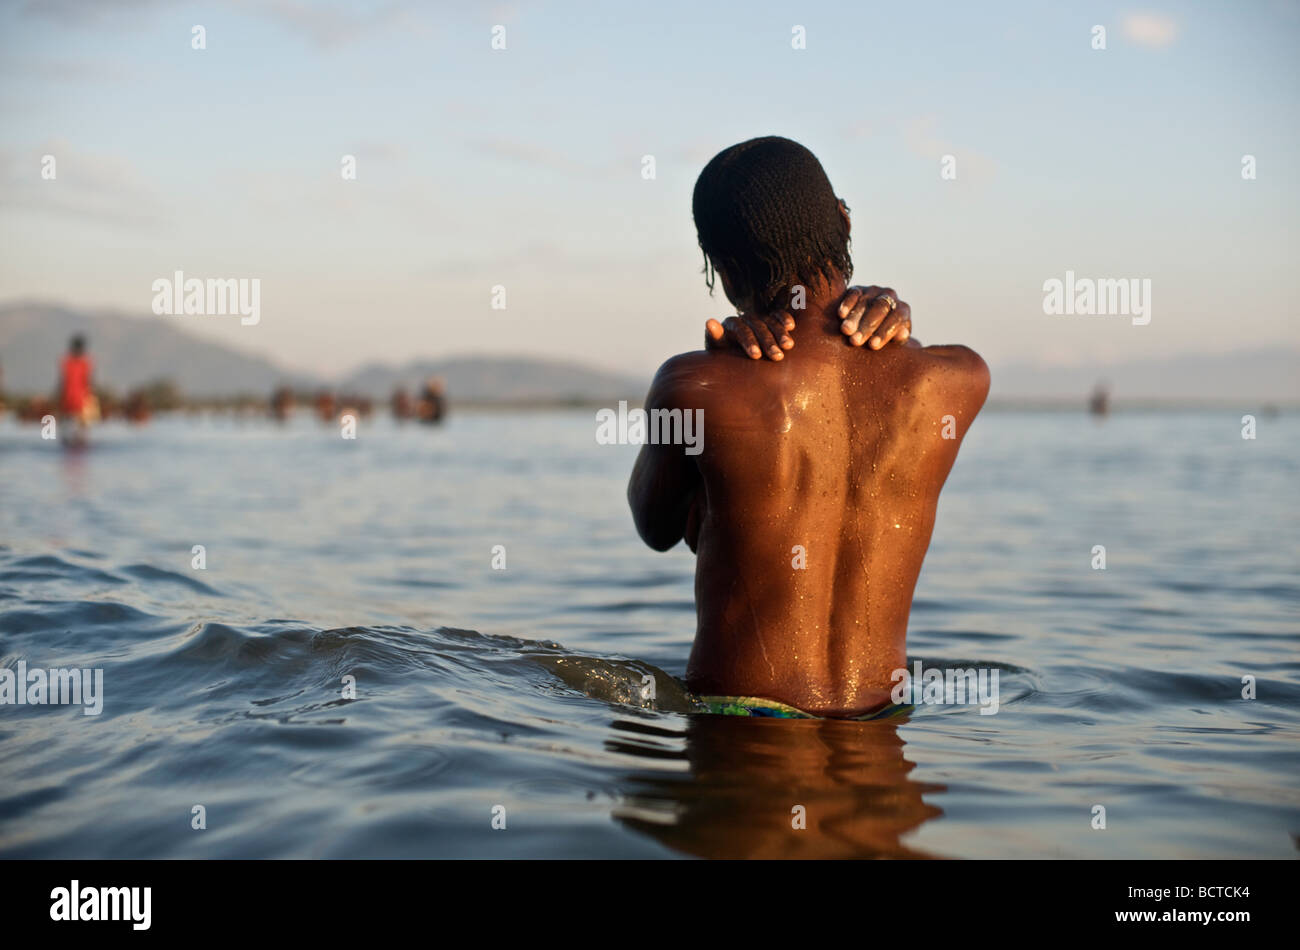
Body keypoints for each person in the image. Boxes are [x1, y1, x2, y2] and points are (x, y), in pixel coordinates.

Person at [627, 136, 989, 719]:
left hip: (739, 735)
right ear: (844, 223)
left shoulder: (692, 388)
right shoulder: (958, 380)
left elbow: (656, 527)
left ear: (723, 269)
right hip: (881, 734)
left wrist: (714, 372)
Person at [59, 335, 98, 433]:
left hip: (69, 399)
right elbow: (89, 382)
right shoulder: (85, 363)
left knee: (68, 426)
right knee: (81, 428)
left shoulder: (66, 362)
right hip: (79, 399)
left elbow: (62, 382)